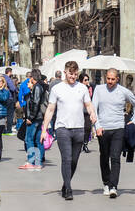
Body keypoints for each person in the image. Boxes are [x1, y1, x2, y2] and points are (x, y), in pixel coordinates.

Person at [41, 61, 96, 199]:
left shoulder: (82, 88)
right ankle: (69, 190)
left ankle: (66, 184)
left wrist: (92, 113)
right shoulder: (57, 89)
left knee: (74, 161)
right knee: (66, 158)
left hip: (79, 129)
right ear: (65, 72)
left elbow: (88, 105)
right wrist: (44, 129)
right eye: (71, 74)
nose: (73, 77)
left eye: (76, 74)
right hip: (62, 128)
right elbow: (50, 109)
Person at [92, 69, 135, 198]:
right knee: (104, 157)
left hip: (119, 128)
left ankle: (113, 186)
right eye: (108, 78)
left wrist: (134, 121)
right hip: (103, 128)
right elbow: (93, 108)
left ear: (117, 79)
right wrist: (97, 126)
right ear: (105, 78)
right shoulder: (99, 89)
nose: (110, 82)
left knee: (115, 157)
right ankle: (106, 183)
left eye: (113, 79)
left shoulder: (123, 91)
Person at [19, 69, 49, 169]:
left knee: (29, 139)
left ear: (32, 77)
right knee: (37, 139)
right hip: (39, 117)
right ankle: (38, 162)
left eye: (30, 77)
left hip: (35, 118)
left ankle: (32, 161)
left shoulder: (37, 87)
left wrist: (30, 117)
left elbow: (35, 103)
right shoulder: (40, 87)